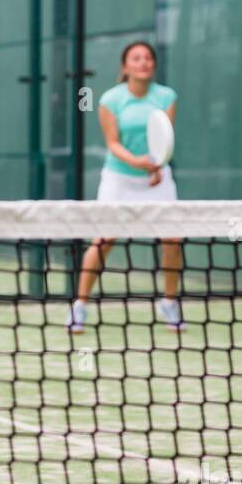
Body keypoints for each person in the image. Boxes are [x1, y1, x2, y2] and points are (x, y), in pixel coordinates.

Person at [68, 40, 183, 332]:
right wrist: (137, 162)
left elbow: (164, 140)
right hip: (119, 178)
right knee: (104, 240)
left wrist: (157, 166)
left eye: (148, 58)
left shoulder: (167, 96)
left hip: (156, 178)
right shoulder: (110, 99)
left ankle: (170, 303)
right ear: (125, 67)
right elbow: (112, 143)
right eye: (136, 58)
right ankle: (80, 305)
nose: (143, 62)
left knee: (173, 240)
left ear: (153, 64)